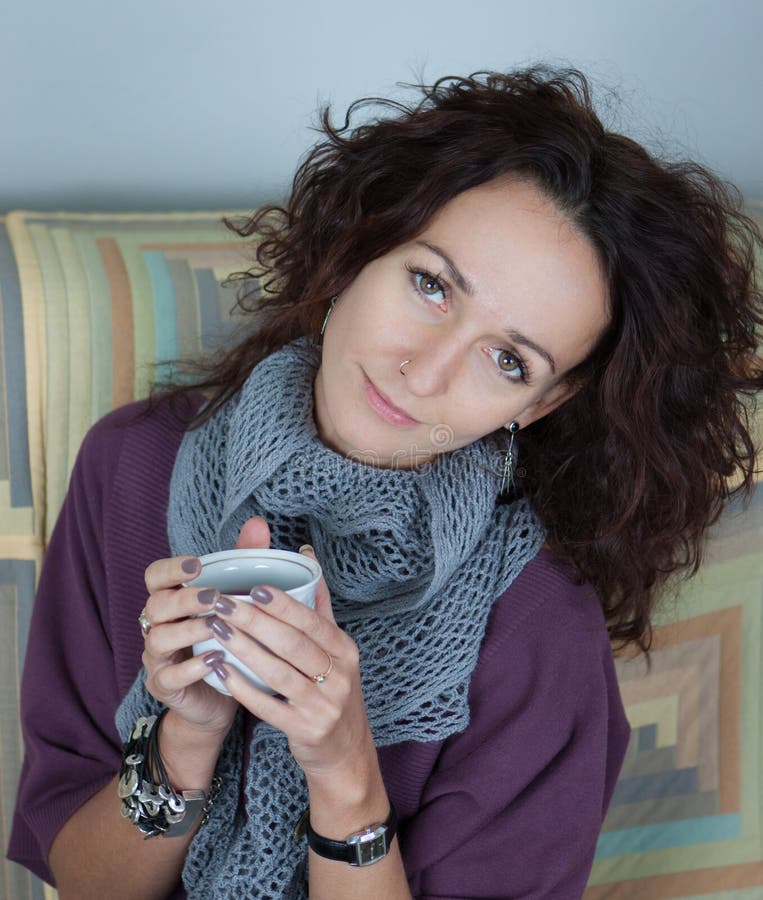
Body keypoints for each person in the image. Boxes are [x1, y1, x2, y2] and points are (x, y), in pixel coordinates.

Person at [8, 67, 762, 900]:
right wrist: (183, 735)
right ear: (363, 245)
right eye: (431, 285)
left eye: (508, 360)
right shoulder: (132, 466)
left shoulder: (540, 627)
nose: (425, 373)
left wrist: (343, 771)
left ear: (543, 402)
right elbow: (84, 882)